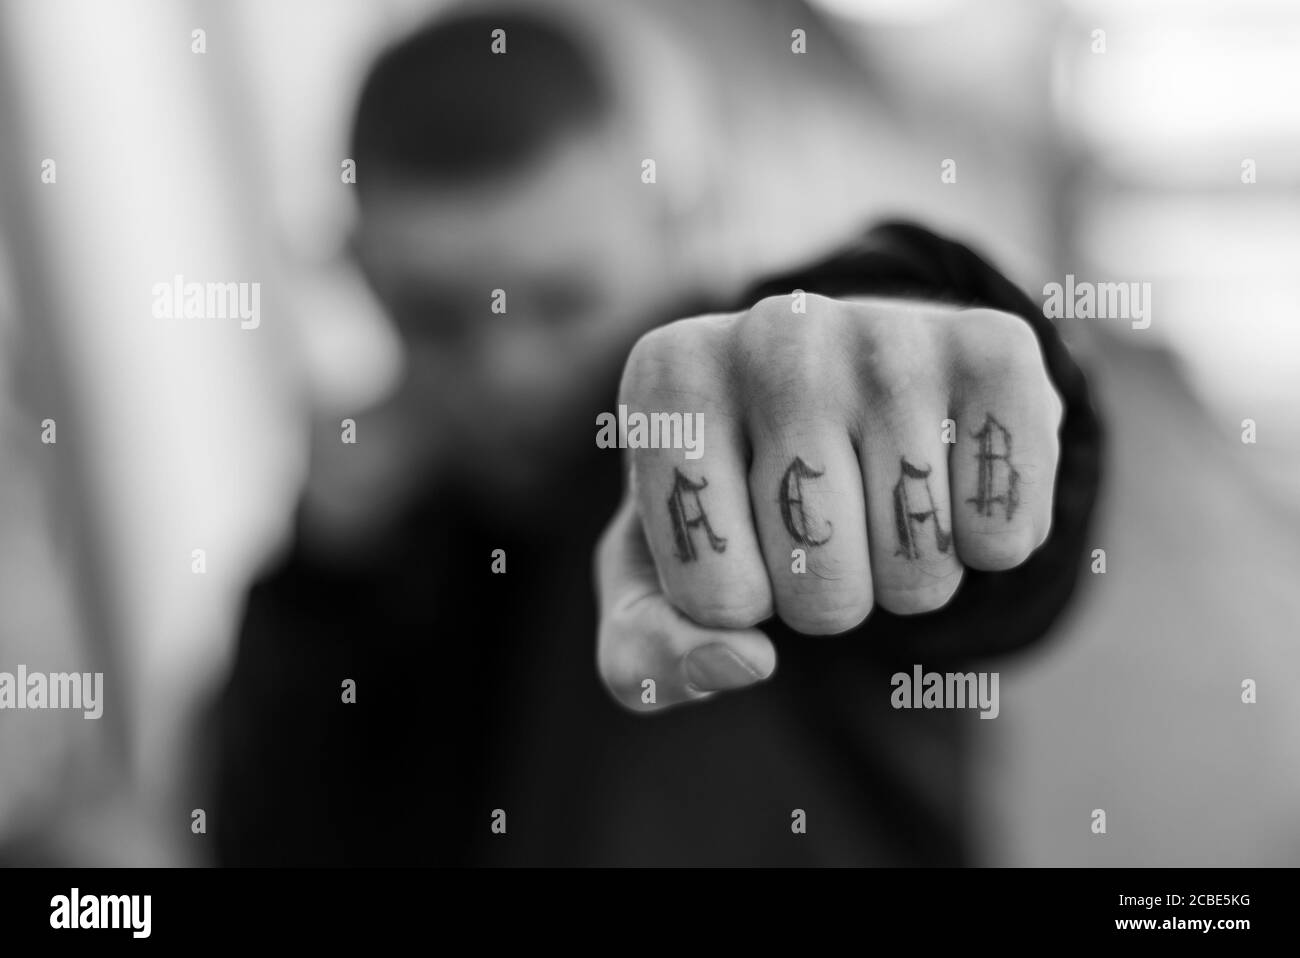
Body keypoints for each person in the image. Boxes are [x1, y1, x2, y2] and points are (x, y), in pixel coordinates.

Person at [212, 7, 1101, 866]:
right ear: (357, 270)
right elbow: (259, 840)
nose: (505, 368)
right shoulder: (382, 534)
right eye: (435, 317)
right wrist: (320, 584)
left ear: (680, 230)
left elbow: (1003, 565)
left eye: (565, 300)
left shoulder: (738, 425)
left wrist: (922, 356)